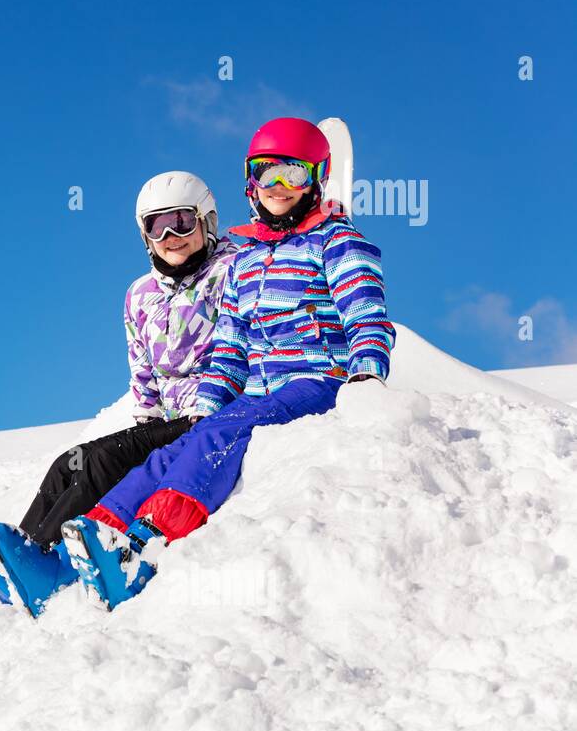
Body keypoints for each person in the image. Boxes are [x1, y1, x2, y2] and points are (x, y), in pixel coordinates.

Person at [59, 118, 396, 610]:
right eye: (267, 174)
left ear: (318, 179)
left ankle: (150, 539)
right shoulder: (247, 260)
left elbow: (367, 314)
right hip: (261, 391)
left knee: (224, 432)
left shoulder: (338, 243)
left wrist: (366, 373)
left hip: (319, 380)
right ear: (250, 182)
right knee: (180, 446)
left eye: (293, 175)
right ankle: (98, 532)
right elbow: (230, 350)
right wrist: (203, 408)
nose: (278, 188)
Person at [0, 171, 236, 617]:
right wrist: (147, 426)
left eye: (181, 222)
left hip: (211, 409)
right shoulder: (140, 296)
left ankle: (41, 567)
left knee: (97, 463)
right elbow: (144, 373)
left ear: (207, 222)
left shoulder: (234, 270)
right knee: (66, 464)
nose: (171, 236)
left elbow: (277, 259)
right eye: (157, 226)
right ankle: (18, 562)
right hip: (165, 422)